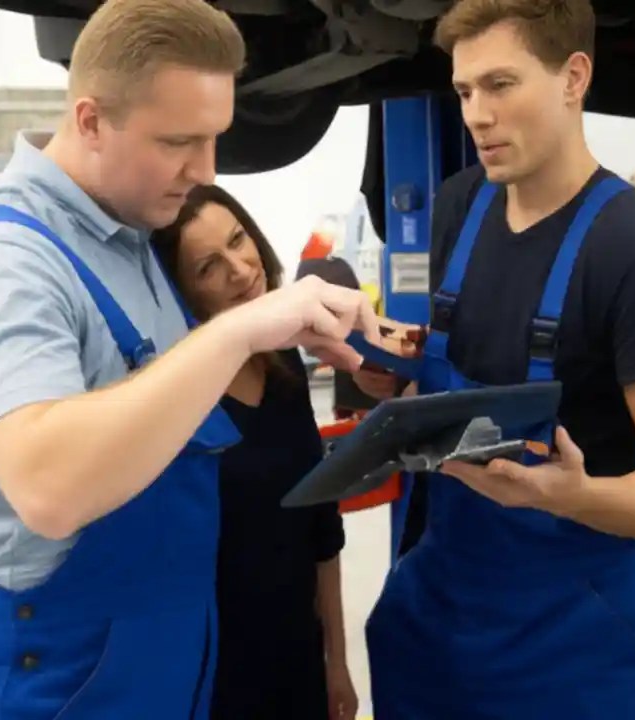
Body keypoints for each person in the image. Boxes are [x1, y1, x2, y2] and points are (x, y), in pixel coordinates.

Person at [0, 1, 381, 718]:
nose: (205, 170)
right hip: (59, 684)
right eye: (178, 142)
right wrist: (233, 334)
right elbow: (48, 486)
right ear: (92, 119)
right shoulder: (2, 261)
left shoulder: (133, 239)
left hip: (168, 670)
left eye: (216, 139)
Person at [359, 0, 635, 718]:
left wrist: (573, 496)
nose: (477, 115)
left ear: (573, 77)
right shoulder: (462, 205)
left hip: (568, 643)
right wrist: (387, 367)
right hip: (438, 617)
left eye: (500, 85)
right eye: (464, 92)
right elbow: (460, 367)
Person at [151, 184, 359, 720]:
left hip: (296, 654)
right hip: (214, 672)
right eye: (208, 267)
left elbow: (320, 528)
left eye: (239, 240)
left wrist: (336, 659)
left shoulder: (284, 360)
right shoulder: (177, 388)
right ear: (182, 292)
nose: (241, 269)